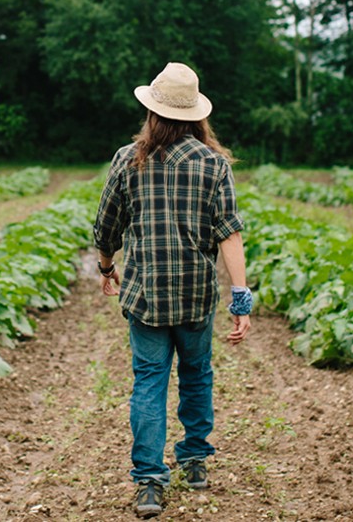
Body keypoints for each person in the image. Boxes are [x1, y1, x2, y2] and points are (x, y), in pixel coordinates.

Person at [93, 62, 253, 519]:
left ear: (152, 111)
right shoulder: (213, 163)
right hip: (196, 294)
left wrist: (107, 267)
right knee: (197, 374)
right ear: (195, 115)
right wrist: (240, 298)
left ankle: (148, 482)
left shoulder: (128, 159)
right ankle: (195, 460)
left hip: (145, 293)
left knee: (149, 382)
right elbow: (230, 235)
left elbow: (107, 227)